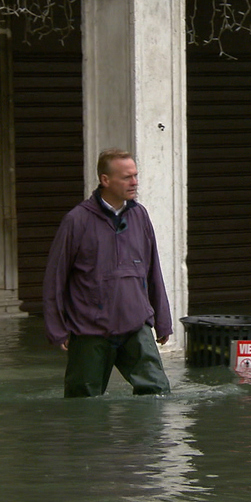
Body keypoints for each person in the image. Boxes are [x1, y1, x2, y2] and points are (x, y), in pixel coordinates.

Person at [42, 149, 173, 398]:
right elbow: (54, 279)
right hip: (89, 330)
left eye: (135, 176)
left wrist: (162, 321)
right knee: (83, 401)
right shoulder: (76, 221)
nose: (134, 182)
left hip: (136, 326)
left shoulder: (140, 216)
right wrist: (56, 329)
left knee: (158, 393)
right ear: (105, 180)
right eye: (126, 177)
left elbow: (153, 270)